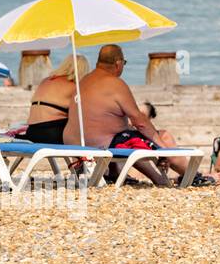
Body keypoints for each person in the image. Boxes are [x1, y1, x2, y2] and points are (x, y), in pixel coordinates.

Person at [66, 45, 191, 185]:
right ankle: (192, 175)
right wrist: (162, 149)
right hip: (100, 144)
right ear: (118, 63)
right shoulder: (115, 84)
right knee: (155, 138)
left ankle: (152, 178)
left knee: (126, 137)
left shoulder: (83, 81)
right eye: (124, 63)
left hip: (75, 142)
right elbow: (141, 122)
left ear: (98, 63)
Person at [20, 54, 89, 144]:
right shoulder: (74, 87)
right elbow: (81, 114)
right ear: (83, 71)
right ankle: (82, 157)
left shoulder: (46, 80)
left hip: (32, 132)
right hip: (52, 133)